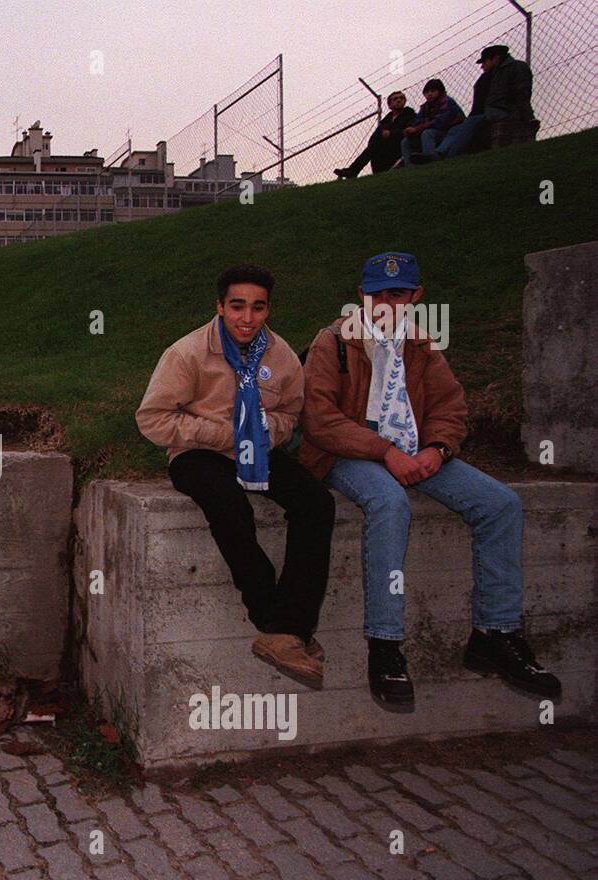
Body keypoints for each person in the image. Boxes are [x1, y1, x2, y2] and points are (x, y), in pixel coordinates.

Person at [297, 251, 562, 708]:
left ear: (416, 296)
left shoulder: (422, 344)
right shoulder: (334, 341)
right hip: (350, 453)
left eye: (396, 294)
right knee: (389, 503)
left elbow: (450, 409)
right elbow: (320, 421)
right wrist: (386, 453)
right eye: (375, 293)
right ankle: (385, 645)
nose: (385, 303)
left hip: (416, 452)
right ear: (360, 295)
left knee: (501, 504)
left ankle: (495, 633)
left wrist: (437, 452)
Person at [136, 265, 336, 685]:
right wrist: (223, 435)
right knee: (229, 505)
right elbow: (152, 419)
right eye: (237, 306)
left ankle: (290, 627)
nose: (247, 318)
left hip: (256, 449)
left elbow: (290, 414)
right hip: (199, 452)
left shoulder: (279, 356)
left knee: (316, 502)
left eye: (258, 307)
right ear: (220, 306)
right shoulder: (188, 353)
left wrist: (263, 432)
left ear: (268, 309)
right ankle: (272, 620)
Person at [415, 45, 534, 161]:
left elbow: (522, 94)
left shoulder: (516, 68)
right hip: (491, 112)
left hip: (504, 112)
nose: (482, 66)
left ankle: (447, 157)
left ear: (496, 58)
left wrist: (529, 117)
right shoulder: (489, 76)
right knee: (462, 126)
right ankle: (438, 155)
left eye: (485, 62)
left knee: (470, 123)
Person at [334, 91, 417, 178]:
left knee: (375, 146)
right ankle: (355, 171)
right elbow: (375, 135)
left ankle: (353, 170)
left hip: (400, 146)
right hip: (384, 149)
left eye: (401, 98)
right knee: (374, 145)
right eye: (395, 99)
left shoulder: (410, 115)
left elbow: (409, 131)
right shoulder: (386, 120)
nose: (399, 100)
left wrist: (391, 134)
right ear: (390, 105)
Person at [400, 79, 465, 165]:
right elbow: (418, 121)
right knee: (405, 141)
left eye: (433, 91)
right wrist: (410, 129)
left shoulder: (447, 102)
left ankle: (430, 158)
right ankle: (410, 166)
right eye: (426, 92)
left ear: (440, 91)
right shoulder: (425, 107)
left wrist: (417, 129)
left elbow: (440, 122)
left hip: (449, 131)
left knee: (427, 133)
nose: (429, 94)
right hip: (436, 132)